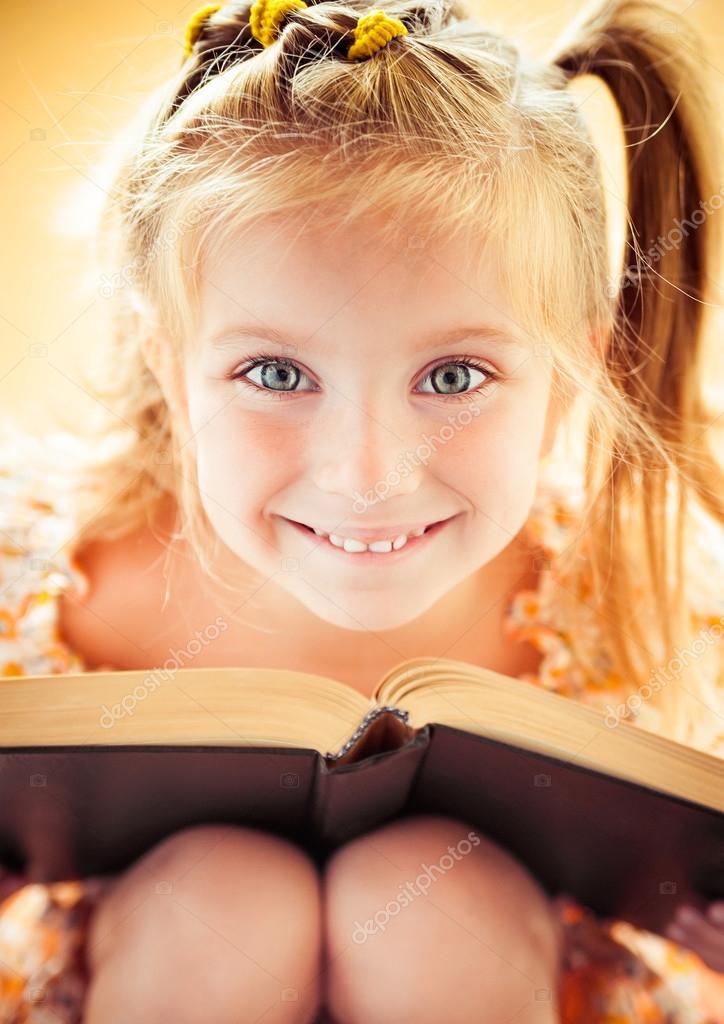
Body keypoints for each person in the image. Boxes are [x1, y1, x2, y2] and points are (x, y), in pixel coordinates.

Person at [1, 0, 724, 1019]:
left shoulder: (656, 607)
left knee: (428, 898)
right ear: (172, 365)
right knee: (224, 897)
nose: (369, 474)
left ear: (568, 377)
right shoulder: (34, 587)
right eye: (273, 370)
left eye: (454, 374)